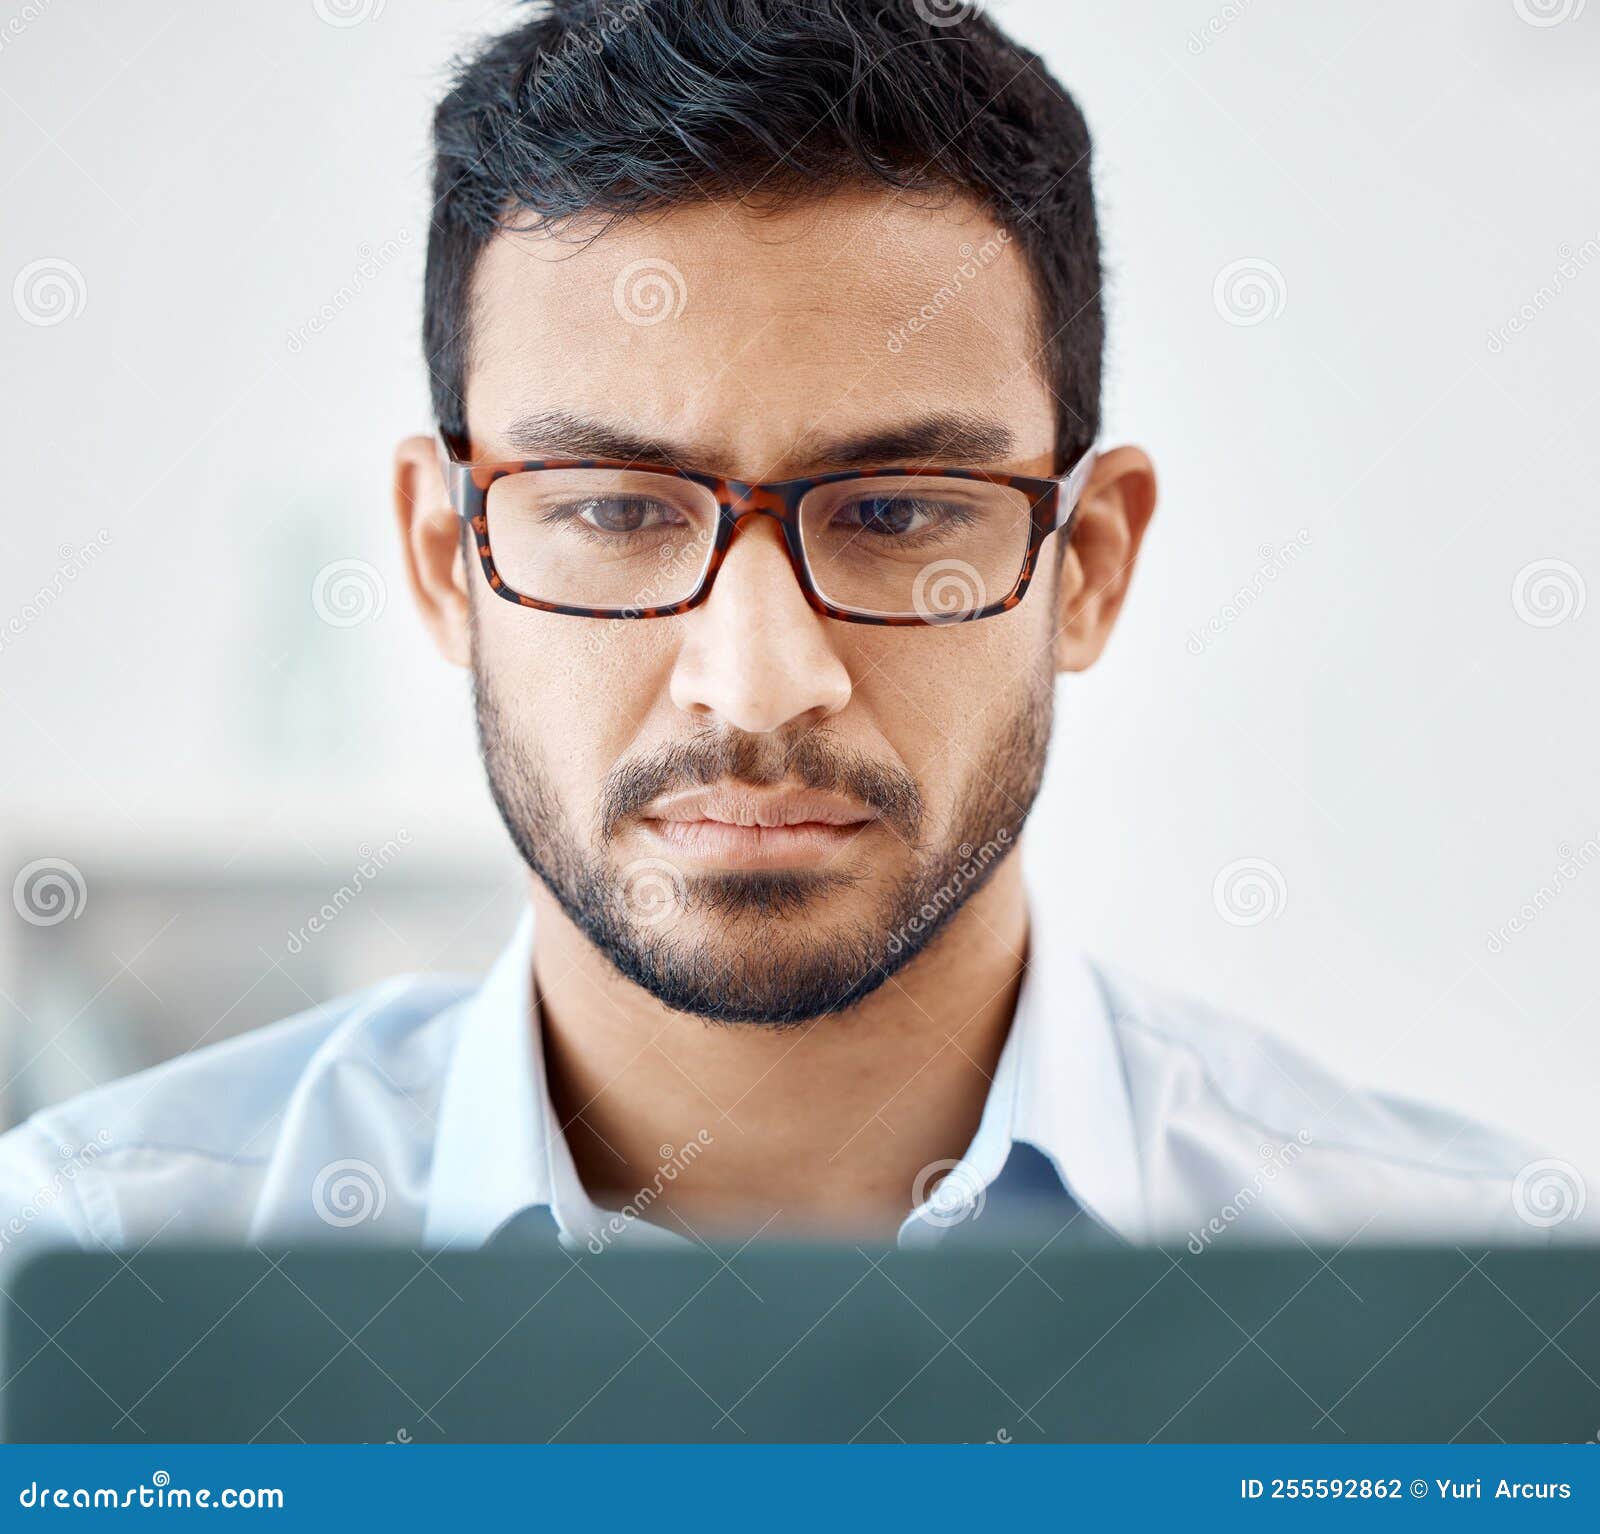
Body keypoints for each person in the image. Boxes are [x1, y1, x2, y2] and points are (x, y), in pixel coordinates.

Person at [0, 0, 1546, 1272]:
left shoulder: (1459, 1307)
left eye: (894, 511)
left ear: (1088, 560)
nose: (755, 679)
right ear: (441, 557)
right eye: (614, 510)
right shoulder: (83, 1273)